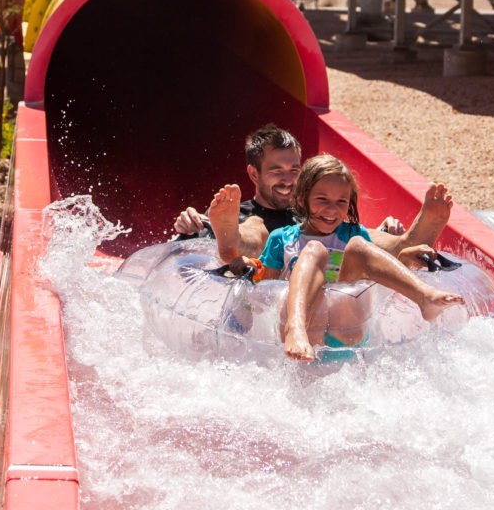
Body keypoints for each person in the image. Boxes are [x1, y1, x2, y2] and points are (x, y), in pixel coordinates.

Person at [215, 154, 463, 362]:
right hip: (304, 331)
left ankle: (424, 296)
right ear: (302, 198)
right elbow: (264, 291)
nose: (332, 209)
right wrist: (249, 268)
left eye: (341, 201)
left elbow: (376, 281)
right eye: (322, 199)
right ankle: (295, 327)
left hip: (345, 332)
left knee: (359, 246)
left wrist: (406, 259)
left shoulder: (353, 234)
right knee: (314, 250)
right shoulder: (282, 238)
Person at [172, 123, 302, 259]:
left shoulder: (307, 214)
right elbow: (183, 261)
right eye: (277, 171)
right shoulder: (230, 213)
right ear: (254, 174)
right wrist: (189, 232)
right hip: (246, 237)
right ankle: (235, 241)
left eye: (294, 170)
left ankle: (234, 242)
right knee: (257, 225)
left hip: (297, 255)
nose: (288, 181)